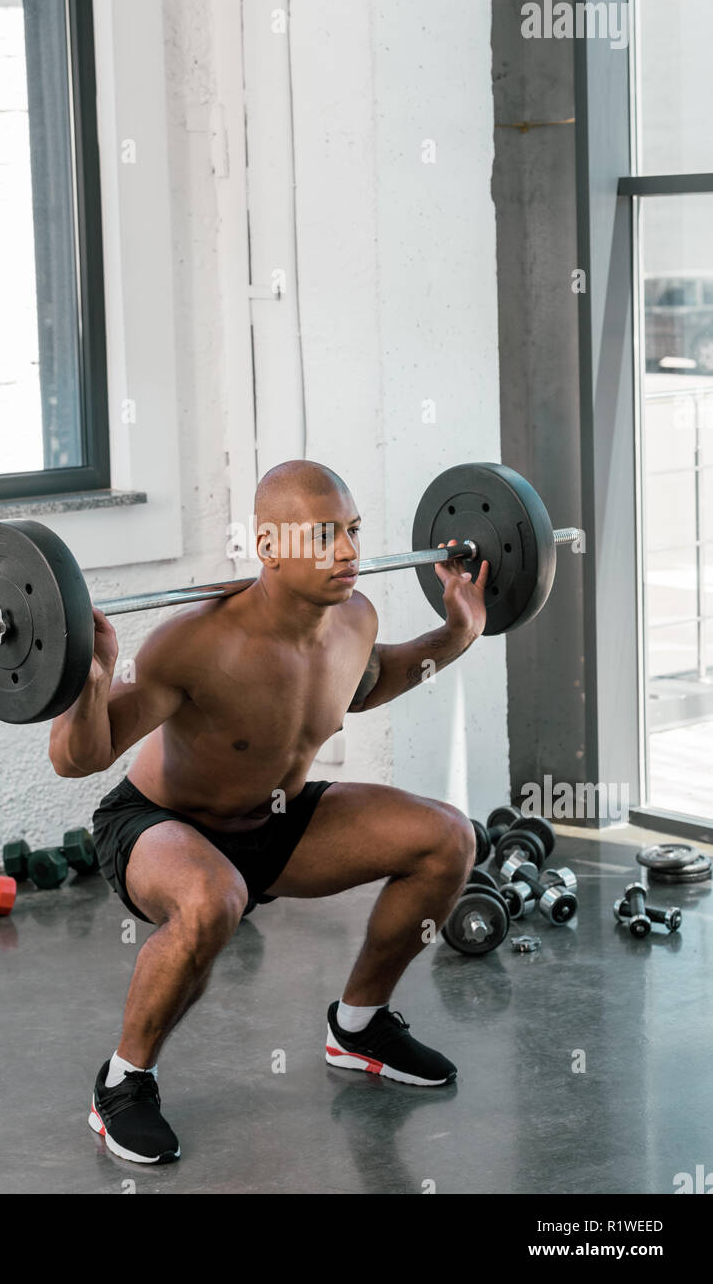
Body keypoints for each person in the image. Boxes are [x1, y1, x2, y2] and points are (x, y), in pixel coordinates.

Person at [49, 459, 487, 1164]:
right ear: (269, 548)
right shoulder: (192, 643)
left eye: (351, 531)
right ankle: (124, 1083)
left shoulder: (353, 618)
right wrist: (89, 680)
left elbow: (366, 685)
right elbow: (79, 758)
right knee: (211, 898)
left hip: (275, 821)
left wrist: (456, 635)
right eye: (321, 536)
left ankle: (359, 1028)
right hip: (161, 825)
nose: (346, 552)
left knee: (446, 838)